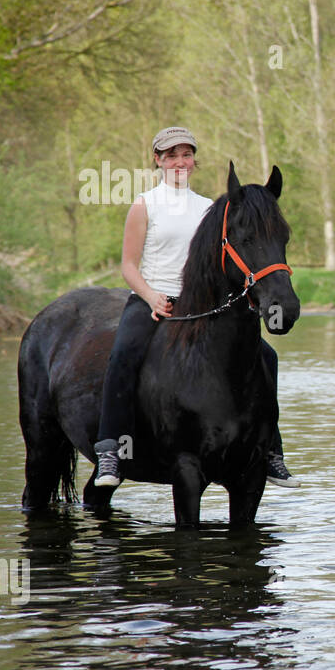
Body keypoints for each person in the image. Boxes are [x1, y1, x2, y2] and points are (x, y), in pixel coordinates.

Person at [93, 126, 300, 488]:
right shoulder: (145, 204)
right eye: (170, 155)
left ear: (194, 161)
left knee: (267, 357)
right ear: (157, 160)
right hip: (153, 298)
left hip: (200, 306)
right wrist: (150, 296)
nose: (179, 162)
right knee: (123, 355)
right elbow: (128, 265)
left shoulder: (211, 209)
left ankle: (271, 451)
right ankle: (111, 450)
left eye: (186, 155)